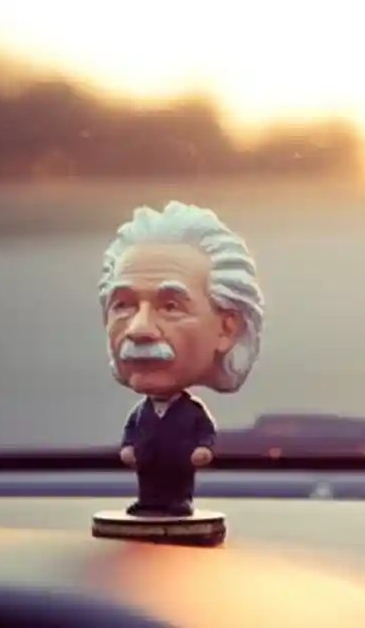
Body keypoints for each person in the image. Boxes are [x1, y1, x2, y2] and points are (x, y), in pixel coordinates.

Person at [98, 201, 265, 517]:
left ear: (227, 328)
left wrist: (202, 450)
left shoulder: (191, 415)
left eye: (171, 306)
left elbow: (203, 434)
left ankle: (177, 502)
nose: (140, 329)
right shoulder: (142, 415)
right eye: (123, 305)